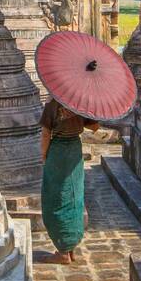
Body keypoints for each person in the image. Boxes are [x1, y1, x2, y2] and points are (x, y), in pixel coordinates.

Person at [39, 97, 98, 265]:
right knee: (74, 195)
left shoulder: (52, 105)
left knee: (57, 197)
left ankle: (63, 252)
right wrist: (78, 115)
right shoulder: (81, 103)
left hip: (58, 152)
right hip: (74, 150)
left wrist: (44, 156)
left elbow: (45, 134)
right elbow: (95, 126)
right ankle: (70, 247)